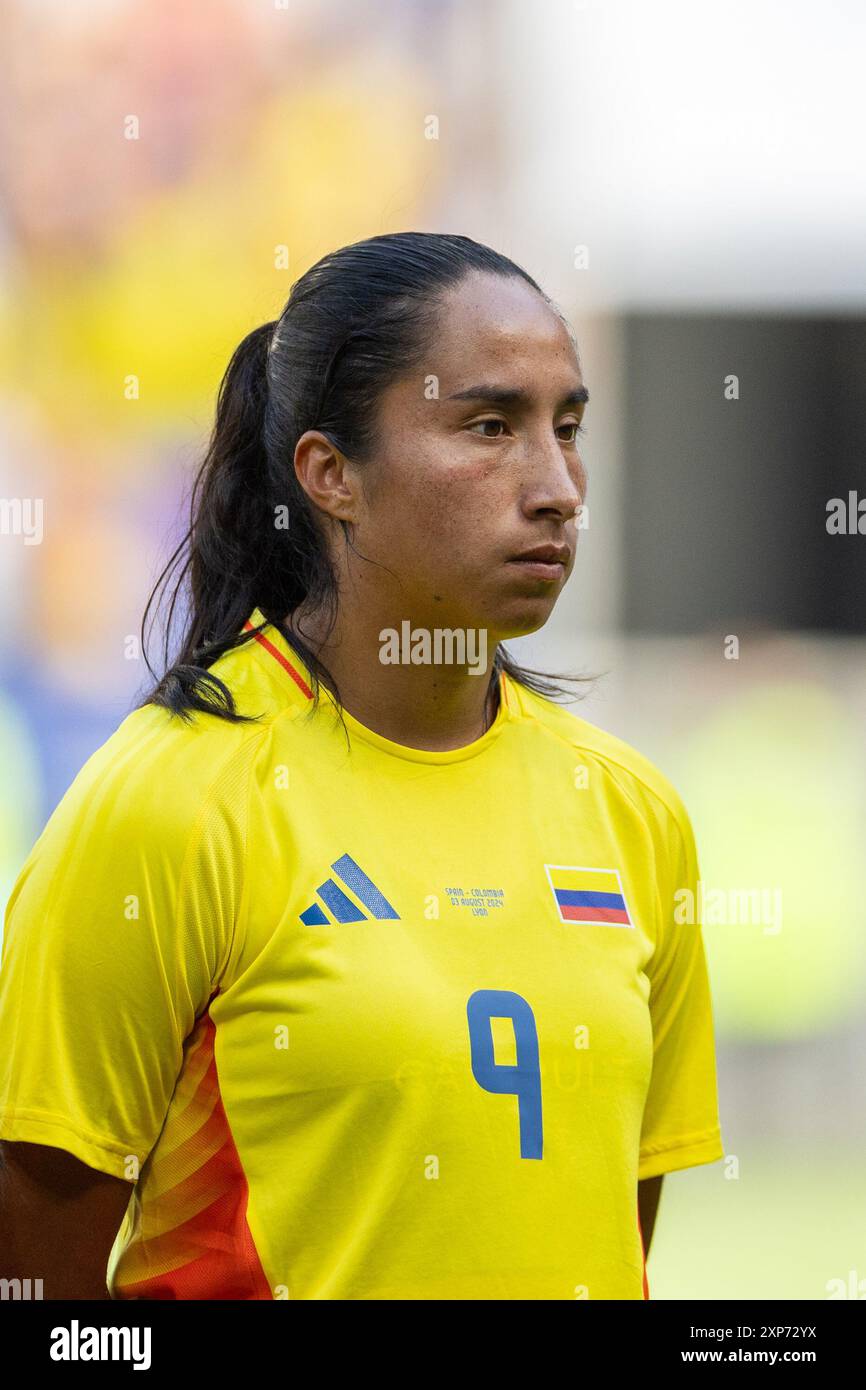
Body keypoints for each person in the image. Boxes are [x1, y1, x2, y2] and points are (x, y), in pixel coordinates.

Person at [0, 231, 723, 1300]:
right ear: (328, 472)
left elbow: (608, 1248)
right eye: (489, 426)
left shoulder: (628, 810)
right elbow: (34, 1285)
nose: (558, 486)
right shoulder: (171, 799)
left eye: (565, 428)